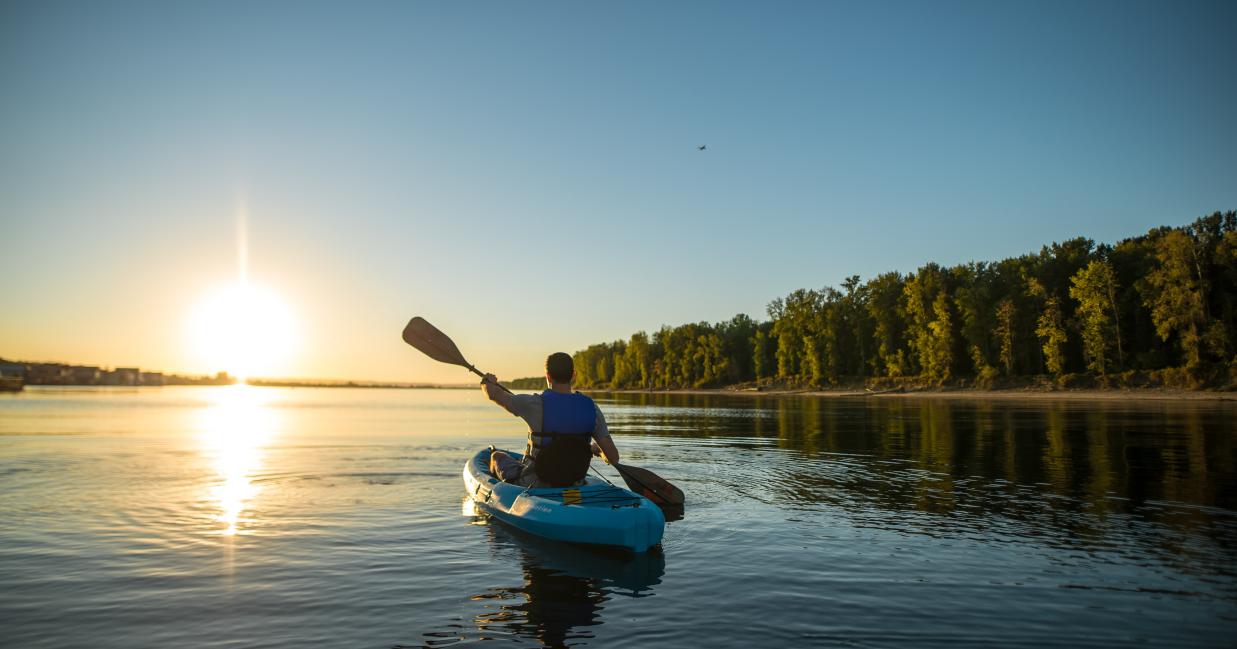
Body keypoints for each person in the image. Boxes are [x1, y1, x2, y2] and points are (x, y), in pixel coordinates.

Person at [481, 352, 619, 487]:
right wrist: (597, 450)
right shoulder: (592, 409)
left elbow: (494, 393)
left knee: (496, 456)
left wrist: (487, 381)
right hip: (575, 482)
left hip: (535, 484)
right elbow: (613, 458)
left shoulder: (533, 404)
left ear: (548, 376)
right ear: (573, 375)